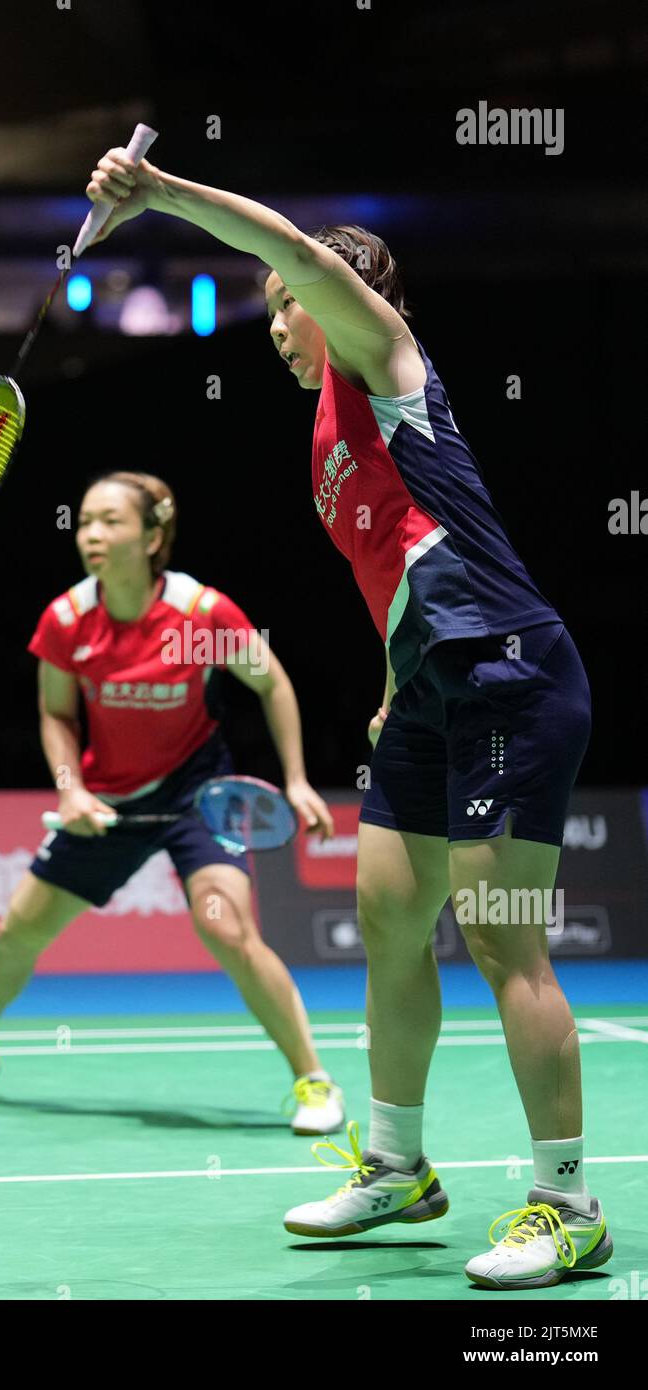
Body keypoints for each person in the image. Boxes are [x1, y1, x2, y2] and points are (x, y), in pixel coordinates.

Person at [78, 151, 613, 1290]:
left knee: (502, 935)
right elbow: (397, 565)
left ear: (330, 295)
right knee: (386, 918)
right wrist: (387, 686)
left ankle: (566, 1202)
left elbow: (296, 251)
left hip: (508, 678)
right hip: (429, 687)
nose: (273, 325)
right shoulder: (325, 434)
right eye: (269, 312)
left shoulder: (385, 360)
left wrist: (160, 193)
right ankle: (396, 1165)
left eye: (281, 306)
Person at [0, 470, 344, 1138]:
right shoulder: (70, 620)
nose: (92, 535)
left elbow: (271, 684)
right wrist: (70, 787)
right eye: (83, 522)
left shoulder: (198, 616)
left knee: (227, 929)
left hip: (197, 798)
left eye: (110, 521)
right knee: (19, 932)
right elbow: (55, 714)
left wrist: (298, 778)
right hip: (106, 802)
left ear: (153, 536)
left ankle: (312, 1078)